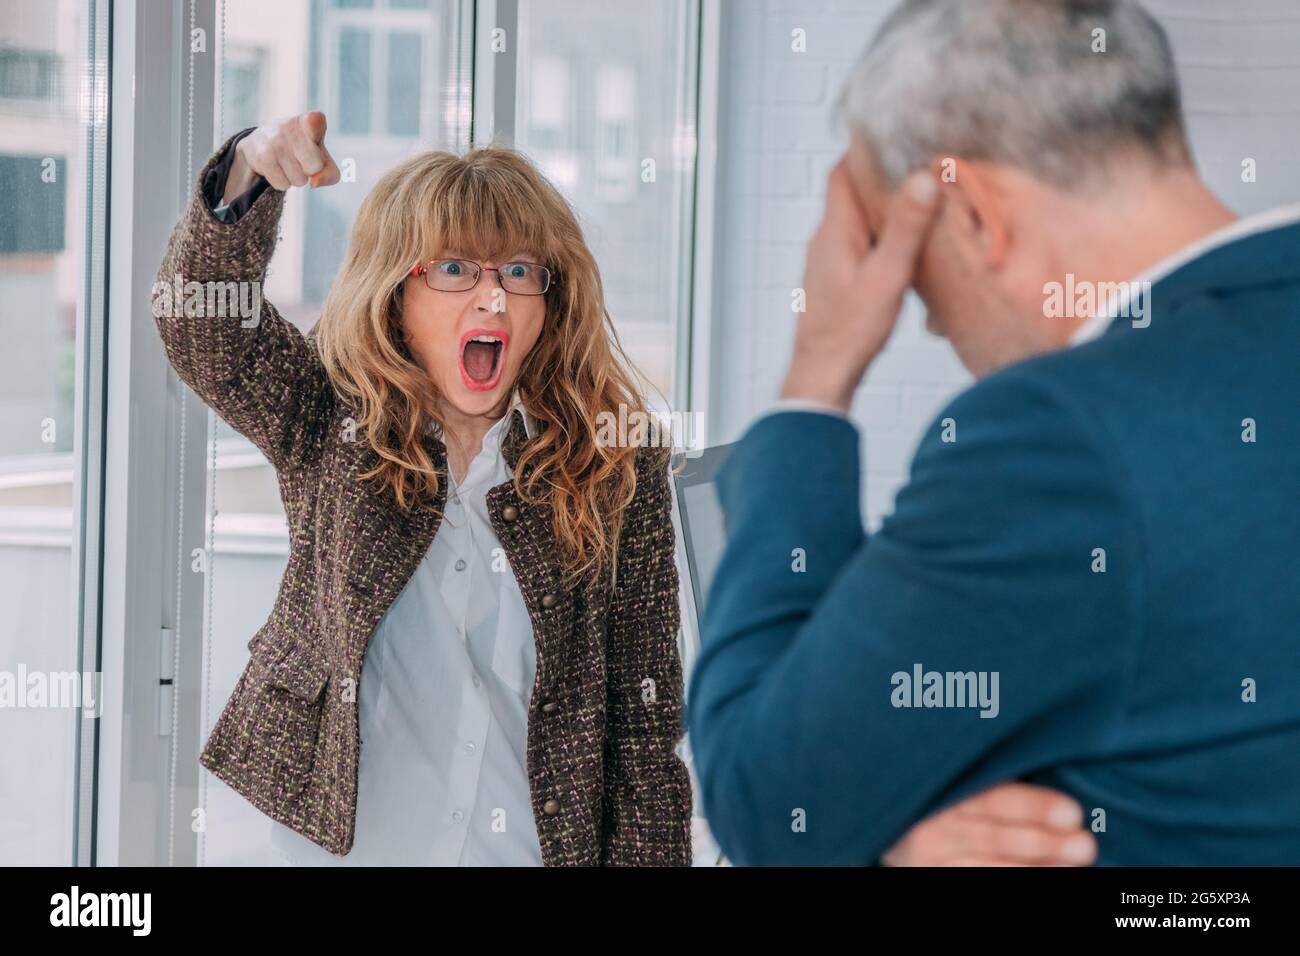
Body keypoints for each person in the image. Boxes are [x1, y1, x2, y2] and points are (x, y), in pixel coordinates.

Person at [159, 110, 1100, 868]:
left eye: (518, 273)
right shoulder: (331, 421)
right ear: (395, 292)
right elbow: (203, 329)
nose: (493, 300)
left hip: (524, 842)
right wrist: (251, 170)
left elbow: (643, 712)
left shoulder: (611, 463)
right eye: (454, 269)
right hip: (338, 838)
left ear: (548, 299)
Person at [688, 0, 1300, 865]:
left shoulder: (1062, 438)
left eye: (911, 271)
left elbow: (769, 800)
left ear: (973, 210)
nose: (930, 321)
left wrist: (817, 374)